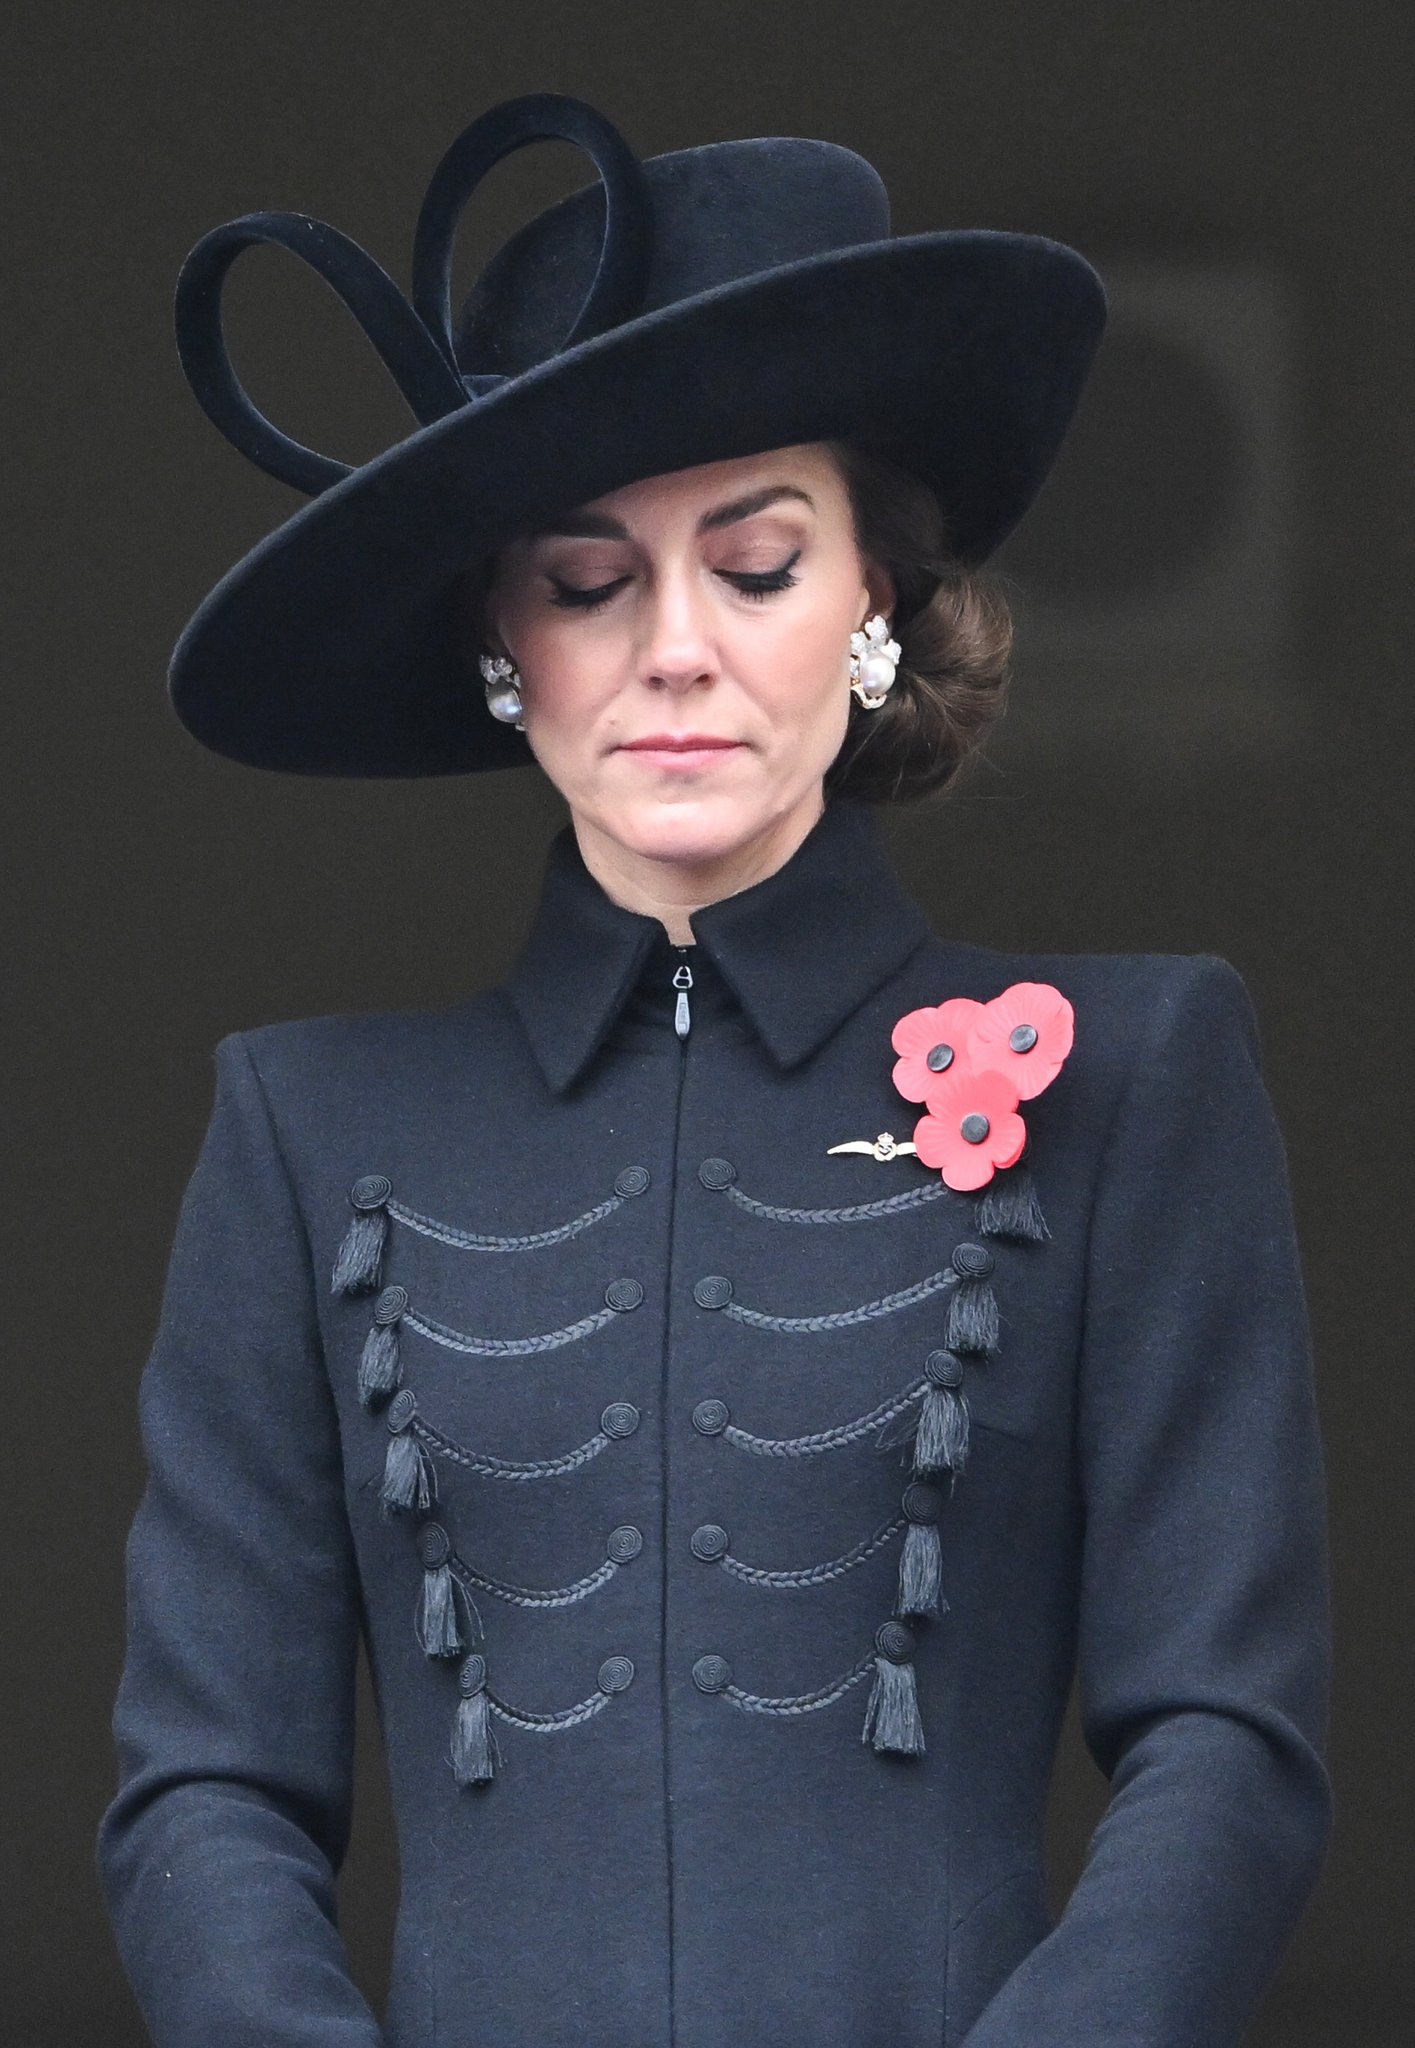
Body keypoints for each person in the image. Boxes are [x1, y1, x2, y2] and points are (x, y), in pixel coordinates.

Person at [95, 91, 1332, 2048]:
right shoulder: (299, 1128)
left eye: (755, 563)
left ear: (875, 607)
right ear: (505, 640)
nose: (675, 648)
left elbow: (1228, 1739)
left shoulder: (1138, 1069)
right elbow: (205, 1788)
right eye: (590, 581)